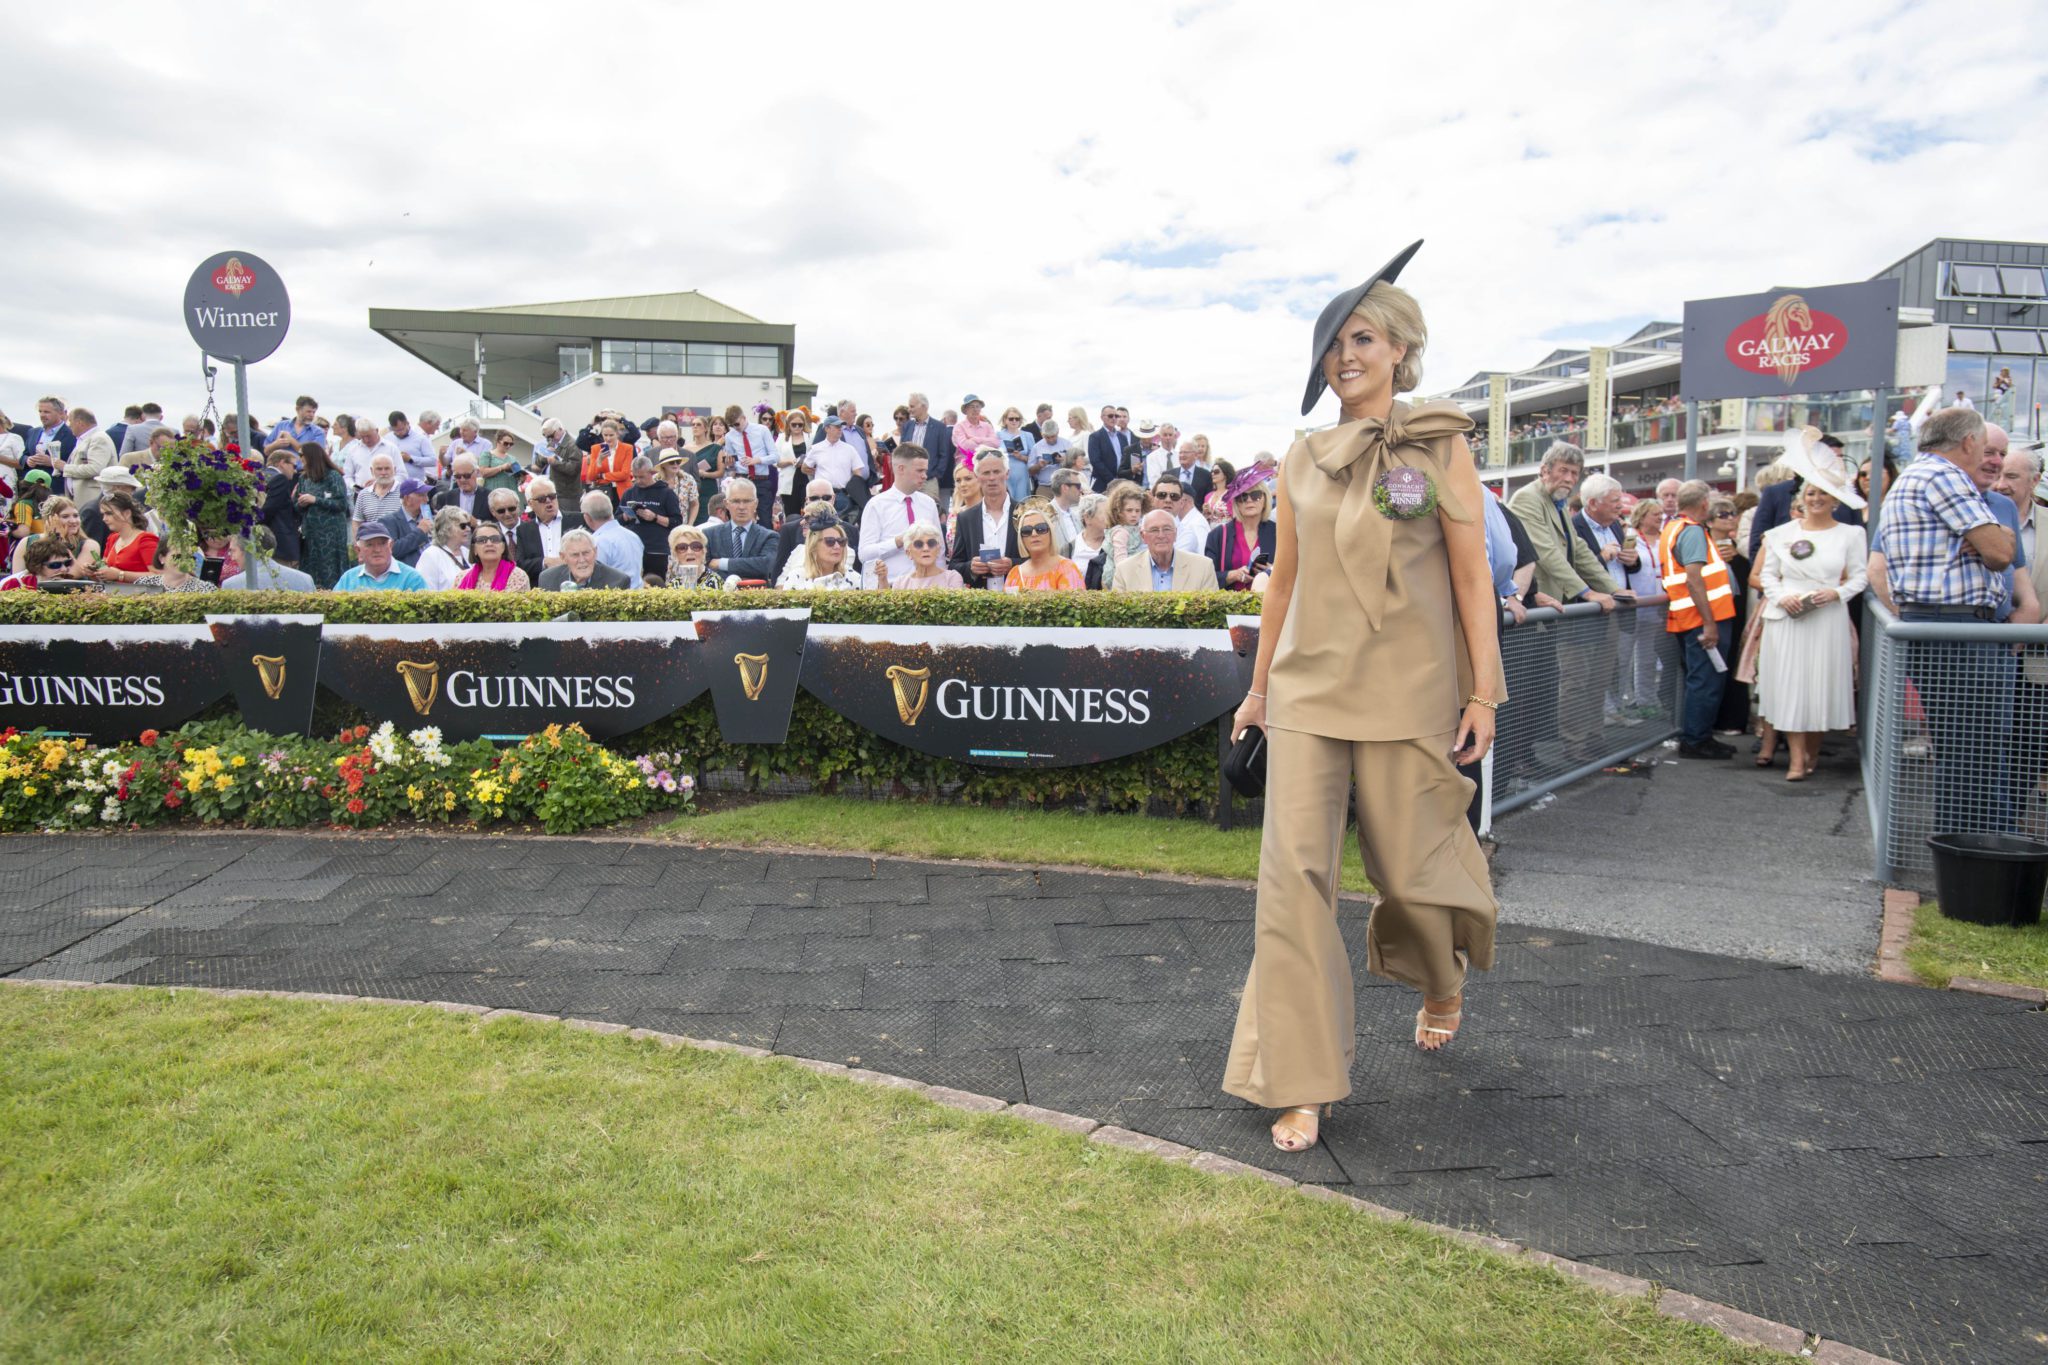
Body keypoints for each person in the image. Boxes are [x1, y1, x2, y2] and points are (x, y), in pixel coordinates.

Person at [1224, 245, 1504, 1155]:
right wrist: (1259, 690)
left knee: (1415, 871)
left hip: (1412, 695)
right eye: (1334, 344)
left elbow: (1471, 581)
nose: (1347, 356)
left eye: (1364, 338)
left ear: (1399, 349)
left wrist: (1483, 693)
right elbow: (1282, 586)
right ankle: (1300, 1082)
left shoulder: (1442, 443)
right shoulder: (1302, 457)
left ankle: (1441, 979)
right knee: (1292, 883)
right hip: (1308, 691)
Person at [1757, 478, 1868, 781]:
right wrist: (1782, 598)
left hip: (1827, 618)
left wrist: (1837, 594)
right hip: (1788, 617)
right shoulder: (1780, 534)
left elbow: (1860, 577)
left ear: (1836, 500)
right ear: (1802, 497)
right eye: (1811, 492)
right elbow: (1768, 575)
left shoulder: (1851, 534)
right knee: (1790, 686)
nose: (1816, 498)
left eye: (1823, 493)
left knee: (1820, 686)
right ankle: (1795, 758)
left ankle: (1812, 753)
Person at [1659, 480, 1739, 759]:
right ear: (1704, 504)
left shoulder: (1673, 528)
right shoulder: (1691, 531)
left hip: (1689, 616)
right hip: (1701, 618)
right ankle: (1696, 739)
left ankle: (1699, 736)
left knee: (1702, 679)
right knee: (1705, 681)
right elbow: (1694, 580)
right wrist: (1709, 623)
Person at [858, 446, 942, 587]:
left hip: (927, 588)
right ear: (901, 469)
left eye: (925, 471)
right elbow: (865, 554)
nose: (925, 476)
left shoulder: (929, 504)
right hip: (891, 588)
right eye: (919, 470)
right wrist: (897, 542)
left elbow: (940, 549)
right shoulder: (876, 505)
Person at [948, 453, 1019, 589]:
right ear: (978, 477)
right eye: (986, 473)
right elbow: (954, 564)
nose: (991, 478)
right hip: (980, 601)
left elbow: (1041, 559)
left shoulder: (1023, 512)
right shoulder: (965, 518)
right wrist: (971, 567)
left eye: (996, 471)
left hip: (1018, 597)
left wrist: (1012, 564)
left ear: (1007, 474)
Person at [1112, 509, 1221, 591]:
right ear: (1143, 536)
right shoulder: (1125, 570)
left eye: (1167, 529)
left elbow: (1211, 615)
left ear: (1176, 534)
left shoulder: (1203, 567)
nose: (1161, 535)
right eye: (1154, 530)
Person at [291, 443, 350, 589]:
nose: (300, 459)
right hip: (310, 534)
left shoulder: (333, 476)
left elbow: (342, 504)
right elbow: (295, 507)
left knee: (331, 571)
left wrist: (316, 500)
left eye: (301, 455)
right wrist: (302, 503)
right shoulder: (304, 478)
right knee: (311, 571)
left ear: (311, 456)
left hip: (331, 535)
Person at [617, 454, 683, 580]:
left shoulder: (666, 493)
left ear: (651, 472)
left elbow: (677, 522)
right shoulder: (629, 493)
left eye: (641, 477)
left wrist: (655, 517)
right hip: (633, 547)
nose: (638, 481)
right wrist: (626, 516)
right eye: (635, 477)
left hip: (656, 549)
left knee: (655, 583)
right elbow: (616, 520)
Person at [702, 479, 778, 582]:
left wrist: (722, 563)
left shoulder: (769, 536)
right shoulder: (709, 535)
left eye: (747, 501)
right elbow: (703, 568)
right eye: (736, 501)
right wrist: (750, 565)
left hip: (756, 594)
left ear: (756, 503)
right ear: (726, 503)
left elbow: (766, 565)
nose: (741, 507)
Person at [1208, 479, 1276, 590]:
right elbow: (1206, 577)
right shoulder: (1217, 535)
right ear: (1236, 503)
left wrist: (1272, 571)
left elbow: (1292, 571)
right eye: (1242, 497)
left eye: (1256, 495)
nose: (1249, 500)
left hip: (1267, 603)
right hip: (1230, 604)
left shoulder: (1278, 532)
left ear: (1265, 499)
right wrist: (1233, 575)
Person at [512, 477, 581, 584]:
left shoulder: (578, 520)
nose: (548, 501)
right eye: (542, 499)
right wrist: (545, 562)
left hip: (575, 585)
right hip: (541, 589)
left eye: (552, 496)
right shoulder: (524, 530)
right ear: (530, 504)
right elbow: (521, 564)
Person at [1003, 500, 1084, 591]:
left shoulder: (1067, 568)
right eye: (1027, 531)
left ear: (1051, 533)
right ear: (1021, 538)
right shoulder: (1015, 573)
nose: (1034, 534)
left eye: (1041, 528)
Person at [775, 510, 861, 590]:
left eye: (841, 541)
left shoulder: (854, 578)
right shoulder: (796, 577)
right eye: (830, 541)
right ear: (814, 546)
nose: (837, 546)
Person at [11, 496, 97, 576]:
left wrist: (59, 539)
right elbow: (17, 579)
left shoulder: (90, 545)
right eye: (65, 516)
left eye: (75, 515)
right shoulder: (27, 542)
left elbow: (72, 575)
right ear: (50, 519)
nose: (73, 521)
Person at [900, 393, 958, 512]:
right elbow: (901, 451)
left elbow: (944, 454)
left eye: (912, 406)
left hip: (929, 480)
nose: (909, 410)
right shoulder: (907, 426)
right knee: (908, 512)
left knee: (930, 513)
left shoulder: (939, 427)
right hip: (908, 479)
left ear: (924, 407)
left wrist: (936, 475)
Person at [85, 491, 157, 585]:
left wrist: (120, 575)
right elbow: (106, 574)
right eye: (103, 514)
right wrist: (93, 573)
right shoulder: (112, 539)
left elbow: (159, 576)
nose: (104, 519)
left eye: (109, 513)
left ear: (127, 514)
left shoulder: (146, 540)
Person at [334, 524, 427, 592]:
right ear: (358, 550)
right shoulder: (348, 579)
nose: (377, 550)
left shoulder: (412, 578)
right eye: (370, 545)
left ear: (390, 547)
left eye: (382, 544)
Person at [721, 404, 780, 511]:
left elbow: (775, 456)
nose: (735, 428)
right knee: (741, 517)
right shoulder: (729, 436)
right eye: (731, 425)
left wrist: (757, 460)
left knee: (765, 520)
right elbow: (732, 463)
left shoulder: (762, 430)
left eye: (737, 424)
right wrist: (729, 465)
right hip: (741, 479)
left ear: (743, 418)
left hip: (761, 479)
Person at [220, 527, 316, 591]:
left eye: (233, 551)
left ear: (248, 551)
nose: (232, 557)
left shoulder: (230, 585)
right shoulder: (305, 580)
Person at [578, 491, 644, 585]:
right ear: (611, 510)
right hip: (638, 595)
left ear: (587, 517)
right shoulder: (634, 537)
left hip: (612, 597)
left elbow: (594, 579)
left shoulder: (597, 543)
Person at [802, 415, 863, 513]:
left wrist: (851, 491)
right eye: (837, 426)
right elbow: (804, 468)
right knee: (820, 524)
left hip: (842, 494)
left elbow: (858, 472)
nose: (840, 429)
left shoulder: (849, 449)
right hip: (821, 496)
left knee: (842, 525)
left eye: (841, 426)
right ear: (827, 428)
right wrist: (815, 473)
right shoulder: (816, 448)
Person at [540, 528, 635, 591]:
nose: (582, 560)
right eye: (575, 555)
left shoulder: (618, 581)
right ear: (563, 557)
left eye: (586, 553)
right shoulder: (547, 579)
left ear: (595, 552)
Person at [883, 520, 962, 589]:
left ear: (938, 549)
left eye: (931, 543)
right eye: (918, 544)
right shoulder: (901, 583)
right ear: (908, 553)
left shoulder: (952, 578)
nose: (926, 548)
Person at [457, 518, 529, 592]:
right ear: (474, 549)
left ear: (503, 547)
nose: (489, 544)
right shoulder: (461, 578)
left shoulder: (517, 576)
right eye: (482, 540)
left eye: (495, 539)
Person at [413, 507, 470, 590]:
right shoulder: (431, 555)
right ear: (447, 529)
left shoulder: (467, 552)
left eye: (468, 525)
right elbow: (425, 593)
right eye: (463, 526)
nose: (468, 529)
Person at [581, 419, 635, 504]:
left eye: (611, 435)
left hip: (622, 492)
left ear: (617, 434)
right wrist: (598, 461)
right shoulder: (596, 449)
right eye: (605, 435)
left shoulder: (627, 448)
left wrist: (602, 476)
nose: (608, 438)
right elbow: (591, 477)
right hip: (604, 491)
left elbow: (625, 474)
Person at [351, 454, 405, 536]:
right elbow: (357, 522)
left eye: (387, 468)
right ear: (371, 471)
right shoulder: (363, 494)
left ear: (394, 470)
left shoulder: (404, 492)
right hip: (372, 545)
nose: (383, 473)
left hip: (400, 544)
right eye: (379, 469)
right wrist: (358, 543)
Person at [951, 395, 999, 487]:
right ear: (965, 410)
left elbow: (995, 443)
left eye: (978, 406)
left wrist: (975, 439)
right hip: (965, 468)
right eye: (972, 407)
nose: (975, 409)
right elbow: (965, 446)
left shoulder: (987, 426)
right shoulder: (959, 426)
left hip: (985, 466)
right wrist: (986, 443)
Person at [775, 409, 813, 519]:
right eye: (794, 425)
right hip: (789, 481)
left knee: (809, 511)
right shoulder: (782, 438)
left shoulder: (810, 437)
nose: (797, 427)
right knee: (792, 515)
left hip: (806, 478)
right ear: (788, 424)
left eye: (800, 425)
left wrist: (806, 462)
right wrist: (790, 461)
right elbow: (776, 461)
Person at [1068, 492, 1111, 586]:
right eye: (1106, 513)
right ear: (1087, 517)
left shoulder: (1114, 545)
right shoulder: (1069, 549)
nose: (1110, 517)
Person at [0, 537, 75, 591]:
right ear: (37, 567)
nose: (64, 569)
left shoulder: (74, 587)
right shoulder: (14, 584)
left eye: (67, 563)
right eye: (55, 565)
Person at [1087, 404, 1129, 493]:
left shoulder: (1122, 437)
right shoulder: (1095, 437)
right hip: (1102, 484)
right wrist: (1112, 480)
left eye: (1116, 416)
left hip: (1121, 484)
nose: (1114, 418)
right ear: (1102, 417)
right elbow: (1095, 461)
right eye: (1110, 416)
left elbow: (1126, 460)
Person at [433, 455, 487, 521]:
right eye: (458, 476)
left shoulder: (489, 497)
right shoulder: (444, 498)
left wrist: (477, 524)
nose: (462, 480)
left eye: (467, 475)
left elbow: (497, 525)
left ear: (477, 472)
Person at [476, 433, 524, 501]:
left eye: (511, 444)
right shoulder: (487, 455)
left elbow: (519, 478)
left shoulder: (513, 458)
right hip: (493, 492)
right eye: (506, 443)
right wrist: (501, 467)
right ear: (498, 441)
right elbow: (483, 472)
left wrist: (521, 477)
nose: (508, 446)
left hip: (511, 493)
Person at [1029, 420, 1072, 496]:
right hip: (1044, 488)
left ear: (1058, 432)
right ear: (1042, 434)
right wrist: (1039, 465)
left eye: (1053, 436)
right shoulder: (1036, 447)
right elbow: (1030, 471)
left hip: (1064, 487)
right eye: (1047, 437)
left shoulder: (1067, 444)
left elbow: (1076, 467)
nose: (1050, 440)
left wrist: (1065, 461)